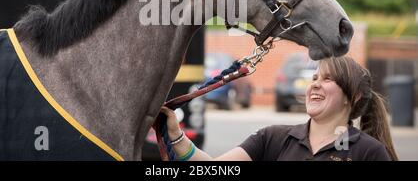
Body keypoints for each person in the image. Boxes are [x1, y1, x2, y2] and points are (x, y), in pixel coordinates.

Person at [160, 56, 398, 161]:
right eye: (314, 77)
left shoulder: (369, 152)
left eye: (327, 79)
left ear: (352, 97)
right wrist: (176, 136)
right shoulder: (273, 138)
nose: (314, 84)